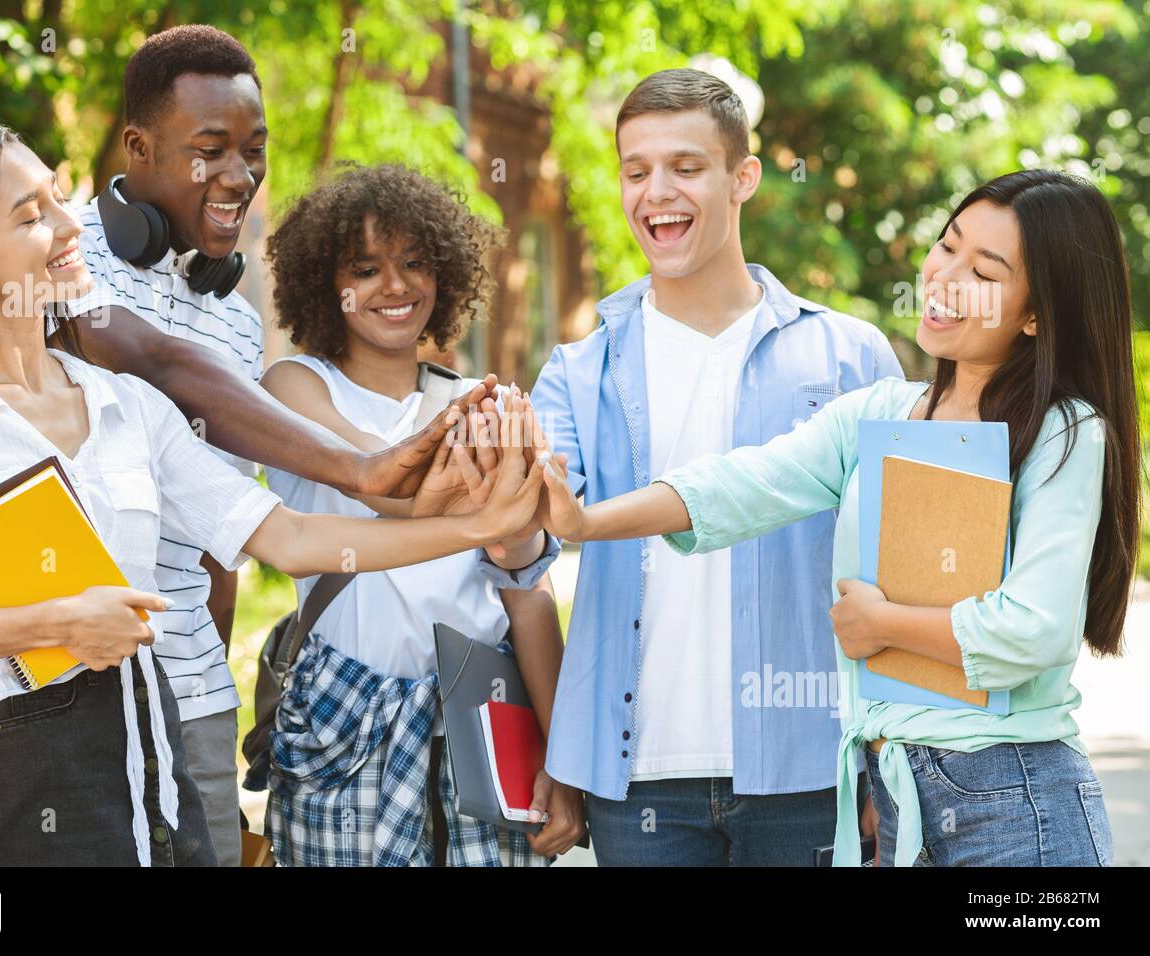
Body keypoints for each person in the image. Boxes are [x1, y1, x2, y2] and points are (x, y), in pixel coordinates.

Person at [0, 127, 545, 866]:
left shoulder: (126, 405)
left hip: (157, 778)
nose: (66, 224)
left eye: (58, 196)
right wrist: (48, 623)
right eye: (29, 216)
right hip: (15, 793)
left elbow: (294, 539)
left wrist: (483, 524)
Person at [539, 168, 1138, 867]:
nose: (945, 277)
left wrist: (879, 625)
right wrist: (586, 522)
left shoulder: (1064, 431)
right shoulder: (882, 412)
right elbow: (745, 483)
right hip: (901, 796)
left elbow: (1034, 632)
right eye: (947, 246)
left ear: (1038, 313)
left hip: (1015, 799)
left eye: (985, 270)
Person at [51, 26, 492, 864]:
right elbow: (152, 357)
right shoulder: (61, 265)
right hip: (68, 692)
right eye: (208, 151)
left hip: (195, 694)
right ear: (138, 147)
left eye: (253, 152)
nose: (239, 177)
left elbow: (234, 535)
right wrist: (362, 467)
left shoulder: (233, 317)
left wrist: (212, 687)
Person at [530, 67, 903, 866]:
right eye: (636, 171)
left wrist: (886, 759)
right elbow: (522, 551)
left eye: (685, 167)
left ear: (743, 178)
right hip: (636, 777)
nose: (655, 191)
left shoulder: (849, 356)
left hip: (810, 766)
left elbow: (894, 568)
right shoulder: (577, 370)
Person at [253, 163, 585, 865]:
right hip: (345, 732)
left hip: (482, 732)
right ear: (324, 283)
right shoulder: (293, 387)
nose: (395, 286)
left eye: (414, 263)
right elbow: (382, 478)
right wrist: (488, 491)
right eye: (365, 268)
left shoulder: (482, 400)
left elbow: (526, 593)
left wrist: (564, 760)